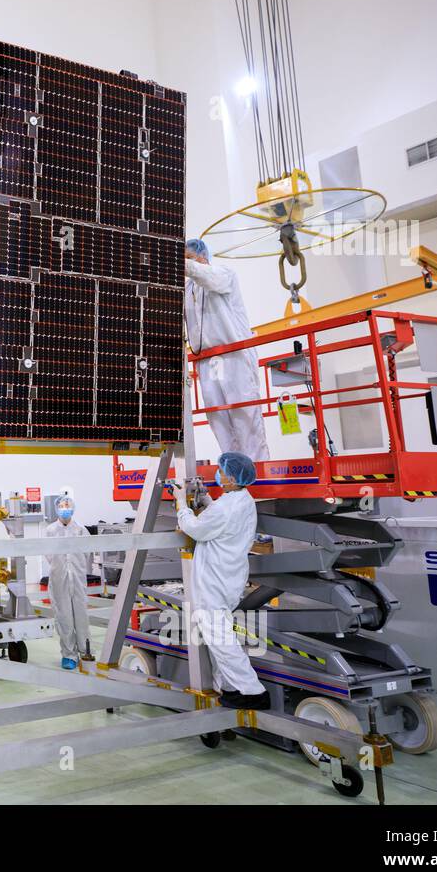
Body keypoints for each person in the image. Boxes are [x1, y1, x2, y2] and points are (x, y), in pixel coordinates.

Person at [166, 450, 269, 710]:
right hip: (230, 576)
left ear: (232, 478)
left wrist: (181, 503)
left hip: (214, 579)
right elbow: (221, 519)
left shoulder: (227, 506)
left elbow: (196, 528)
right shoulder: (243, 499)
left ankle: (252, 691)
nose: (218, 474)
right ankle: (231, 689)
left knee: (219, 637)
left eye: (222, 471)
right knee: (220, 634)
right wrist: (207, 499)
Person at [183, 238, 270, 463]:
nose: (186, 265)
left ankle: (257, 470)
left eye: (189, 258)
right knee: (218, 416)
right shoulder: (188, 289)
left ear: (202, 257)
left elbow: (208, 277)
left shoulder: (223, 274)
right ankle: (234, 471)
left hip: (235, 355)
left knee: (244, 415)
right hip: (207, 361)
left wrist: (180, 262)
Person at [43, 495, 93, 670]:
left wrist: (75, 567)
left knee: (81, 617)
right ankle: (69, 655)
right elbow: (49, 555)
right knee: (64, 618)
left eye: (67, 505)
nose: (65, 508)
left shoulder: (80, 529)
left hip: (78, 579)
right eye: (62, 505)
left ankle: (85, 652)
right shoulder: (50, 530)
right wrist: (62, 568)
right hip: (59, 579)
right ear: (57, 509)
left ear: (73, 507)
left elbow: (87, 553)